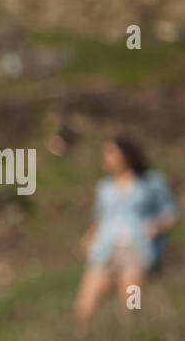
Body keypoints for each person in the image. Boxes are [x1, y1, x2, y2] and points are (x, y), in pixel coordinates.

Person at [73, 136, 179, 324]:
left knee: (131, 305)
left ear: (125, 156)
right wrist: (88, 239)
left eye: (110, 153)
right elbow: (100, 219)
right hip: (105, 250)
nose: (105, 158)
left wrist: (156, 226)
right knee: (84, 306)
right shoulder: (105, 187)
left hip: (136, 251)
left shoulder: (152, 182)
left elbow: (171, 213)